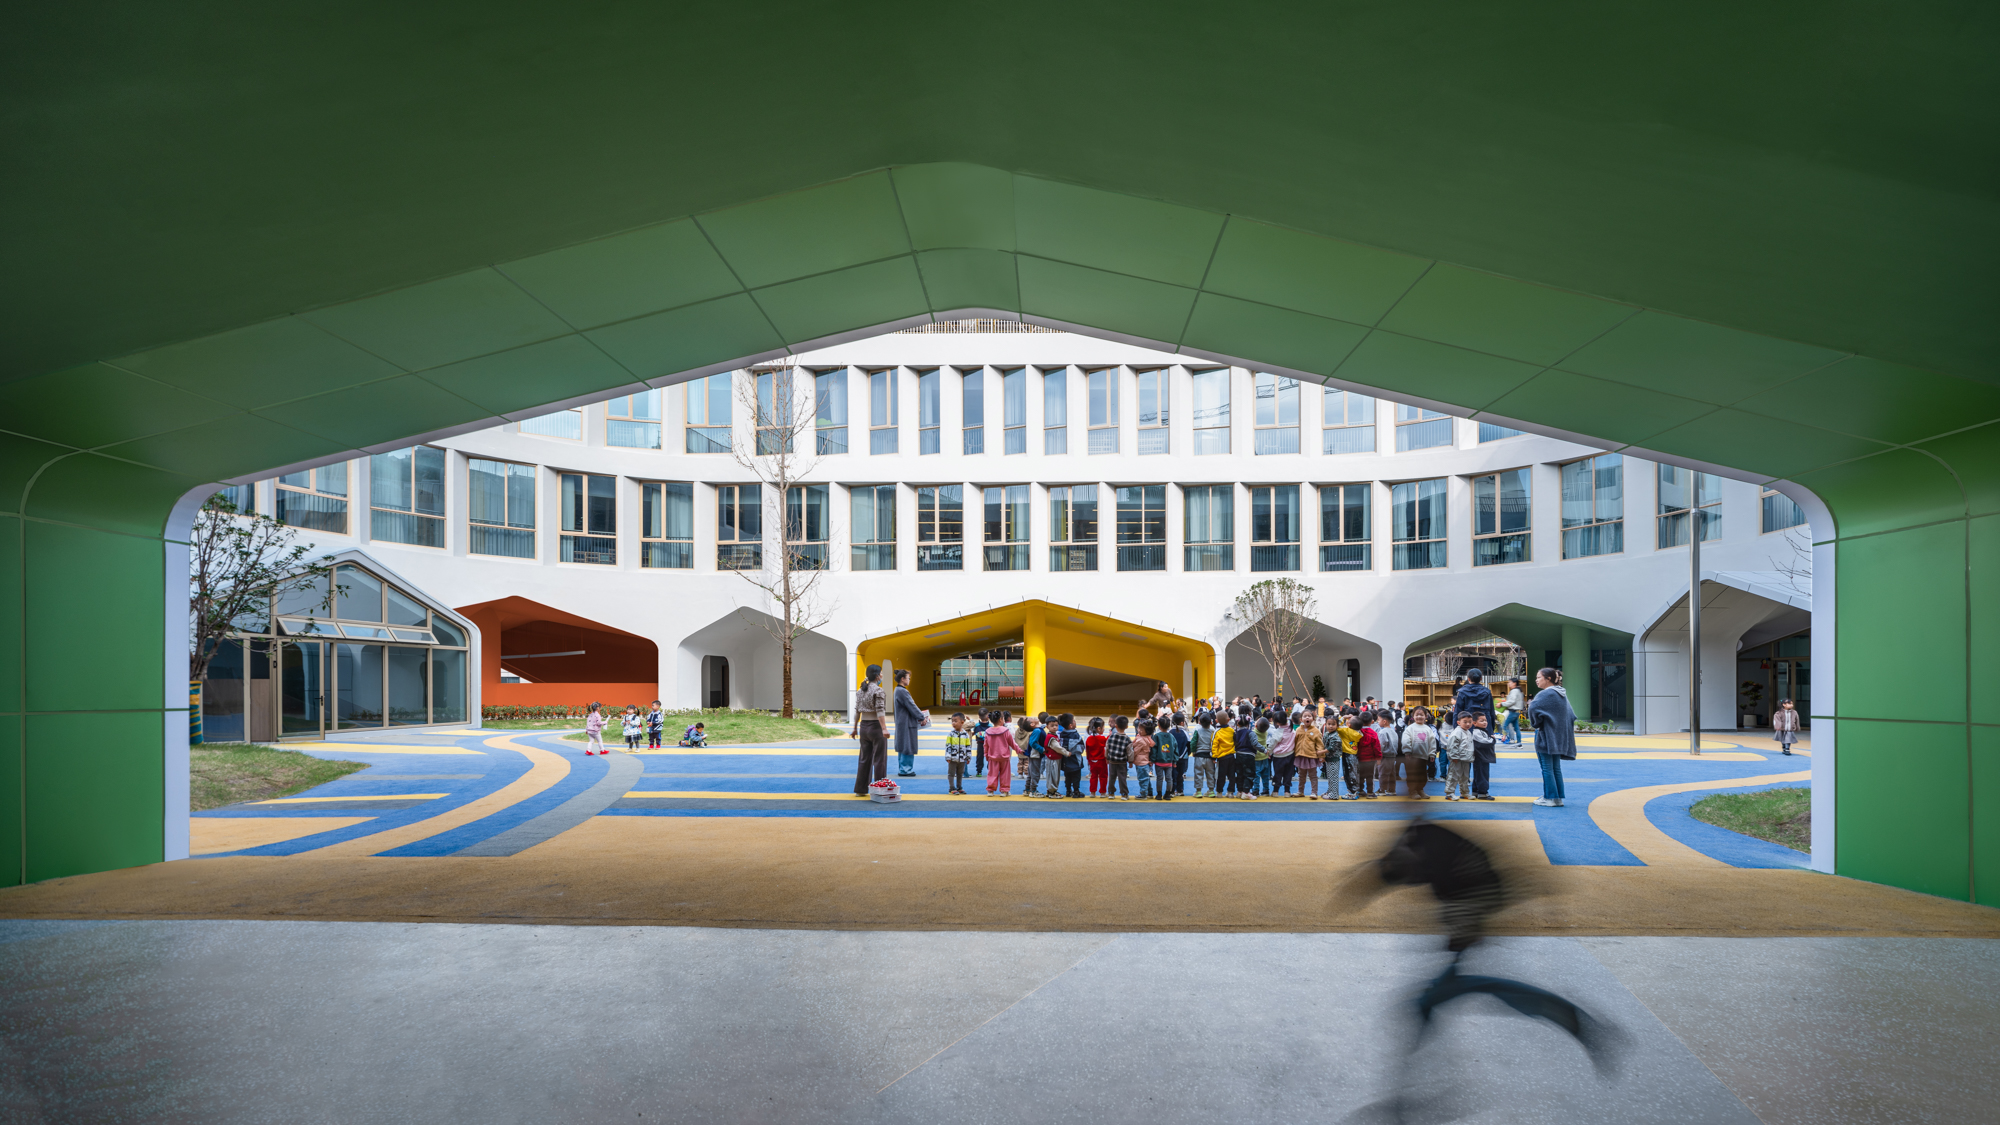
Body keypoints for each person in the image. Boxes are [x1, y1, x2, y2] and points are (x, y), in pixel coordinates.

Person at [1527, 667, 1577, 807]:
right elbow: (1571, 715)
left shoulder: (1545, 694)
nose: (1536, 680)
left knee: (1546, 767)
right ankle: (1557, 798)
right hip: (1558, 735)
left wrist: (1537, 723)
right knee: (1555, 768)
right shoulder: (1561, 693)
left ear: (1548, 679)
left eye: (1538, 677)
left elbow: (1533, 708)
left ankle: (1549, 798)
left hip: (1546, 735)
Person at [849, 665, 889, 796]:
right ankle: (879, 789)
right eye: (881, 673)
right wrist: (884, 729)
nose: (882, 675)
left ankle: (860, 789)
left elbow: (857, 711)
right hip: (876, 727)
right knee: (879, 759)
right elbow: (880, 711)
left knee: (864, 758)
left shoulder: (860, 691)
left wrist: (854, 728)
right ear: (877, 676)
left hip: (863, 727)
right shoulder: (878, 691)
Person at [892, 669, 924, 777]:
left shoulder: (897, 690)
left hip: (902, 722)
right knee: (907, 744)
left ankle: (903, 768)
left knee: (903, 745)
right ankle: (906, 769)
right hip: (906, 723)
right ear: (902, 679)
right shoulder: (902, 691)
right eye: (908, 678)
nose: (909, 680)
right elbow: (911, 705)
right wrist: (921, 716)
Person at [1400, 709, 1435, 799]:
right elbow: (1406, 740)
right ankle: (1412, 791)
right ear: (1413, 716)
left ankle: (1420, 789)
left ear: (1426, 717)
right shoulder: (1410, 728)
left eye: (1421, 715)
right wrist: (1407, 751)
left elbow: (1432, 742)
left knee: (1422, 775)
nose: (1419, 717)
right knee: (1412, 775)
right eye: (1417, 715)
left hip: (1423, 756)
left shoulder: (1428, 729)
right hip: (1412, 757)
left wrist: (1432, 753)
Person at [1442, 713, 1477, 800]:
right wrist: (1454, 757)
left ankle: (1464, 792)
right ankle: (1449, 793)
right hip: (1457, 758)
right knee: (1453, 775)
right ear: (1458, 722)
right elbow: (1453, 745)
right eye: (1465, 722)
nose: (1468, 724)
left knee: (1465, 777)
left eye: (1470, 722)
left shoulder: (1468, 732)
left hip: (1466, 758)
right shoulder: (1457, 732)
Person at [982, 710, 1017, 795]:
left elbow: (986, 745)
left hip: (992, 757)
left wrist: (986, 755)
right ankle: (1004, 791)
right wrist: (1019, 751)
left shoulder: (988, 731)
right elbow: (1012, 743)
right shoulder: (1005, 731)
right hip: (1004, 757)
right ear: (1001, 720)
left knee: (992, 774)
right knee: (1005, 774)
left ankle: (990, 790)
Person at [1293, 714, 1326, 798]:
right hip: (1300, 756)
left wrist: (1321, 755)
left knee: (1313, 775)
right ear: (1301, 719)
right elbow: (1295, 742)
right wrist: (1294, 753)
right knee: (1301, 775)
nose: (1307, 717)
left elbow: (1319, 744)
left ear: (1313, 719)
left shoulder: (1316, 731)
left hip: (1311, 756)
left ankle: (1314, 792)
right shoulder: (1298, 730)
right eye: (1305, 716)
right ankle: (1300, 791)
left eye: (1309, 716)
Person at [1056, 713, 1086, 798]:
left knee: (1067, 776)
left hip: (1065, 760)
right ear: (1071, 725)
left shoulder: (1061, 734)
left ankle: (1068, 790)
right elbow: (1081, 747)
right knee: (1076, 776)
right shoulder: (1076, 735)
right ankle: (1076, 791)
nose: (1075, 722)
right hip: (1075, 759)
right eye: (1074, 720)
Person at [1373, 709, 1403, 796]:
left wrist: (1378, 756)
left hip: (1385, 756)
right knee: (1391, 773)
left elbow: (1381, 745)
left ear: (1384, 721)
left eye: (1378, 720)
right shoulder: (1393, 731)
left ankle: (1382, 790)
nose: (1377, 721)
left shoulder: (1382, 732)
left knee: (1382, 773)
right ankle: (1391, 789)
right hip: (1393, 755)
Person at [1352, 714, 1382, 799]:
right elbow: (1377, 747)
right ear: (1372, 722)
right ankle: (1370, 792)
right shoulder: (1373, 733)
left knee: (1360, 775)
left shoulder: (1357, 732)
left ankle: (1360, 790)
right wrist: (1378, 758)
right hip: (1370, 759)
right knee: (1370, 776)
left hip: (1359, 758)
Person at [1151, 715, 1181, 800]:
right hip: (1169, 762)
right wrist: (1175, 761)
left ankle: (1159, 794)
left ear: (1159, 725)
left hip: (1159, 762)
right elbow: (1175, 750)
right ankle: (1168, 794)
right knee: (1169, 779)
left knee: (1159, 778)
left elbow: (1154, 749)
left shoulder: (1156, 736)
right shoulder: (1172, 737)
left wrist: (1152, 760)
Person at [943, 712, 973, 794]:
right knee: (951, 773)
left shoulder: (965, 734)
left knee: (960, 773)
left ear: (962, 722)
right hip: (953, 758)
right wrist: (948, 756)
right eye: (952, 721)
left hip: (962, 758)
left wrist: (968, 757)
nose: (953, 723)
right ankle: (952, 788)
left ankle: (959, 787)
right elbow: (948, 746)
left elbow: (968, 746)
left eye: (955, 721)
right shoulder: (951, 734)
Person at [1470, 713, 1497, 800]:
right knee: (1483, 774)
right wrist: (1493, 739)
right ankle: (1483, 792)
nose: (1485, 722)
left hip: (1481, 757)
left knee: (1478, 774)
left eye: (1485, 720)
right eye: (1481, 721)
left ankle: (1476, 791)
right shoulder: (1477, 732)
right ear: (1474, 723)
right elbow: (1485, 742)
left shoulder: (1482, 731)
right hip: (1480, 757)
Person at [1189, 714, 1218, 797]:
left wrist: (1193, 751)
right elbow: (1215, 743)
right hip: (1210, 756)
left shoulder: (1197, 730)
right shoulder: (1213, 730)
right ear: (1211, 722)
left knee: (1198, 773)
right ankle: (1211, 790)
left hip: (1199, 756)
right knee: (1211, 774)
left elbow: (1193, 742)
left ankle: (1198, 791)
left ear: (1200, 723)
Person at [1106, 715, 1133, 800]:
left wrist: (1107, 757)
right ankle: (1124, 794)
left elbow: (1107, 748)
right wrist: (1131, 761)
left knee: (1111, 777)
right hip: (1122, 762)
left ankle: (1111, 793)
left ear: (1116, 726)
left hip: (1112, 761)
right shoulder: (1127, 739)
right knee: (1122, 778)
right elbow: (1130, 752)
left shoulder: (1111, 737)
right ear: (1127, 726)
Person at [1268, 717, 1296, 795]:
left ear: (1278, 723)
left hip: (1279, 756)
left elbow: (1273, 743)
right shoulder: (1292, 729)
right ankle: (1287, 791)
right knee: (1288, 773)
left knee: (1278, 773)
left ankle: (1275, 791)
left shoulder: (1279, 731)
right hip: (1290, 754)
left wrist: (1269, 752)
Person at [1085, 717, 1110, 797]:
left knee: (1093, 776)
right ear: (1099, 729)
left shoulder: (1089, 738)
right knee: (1103, 776)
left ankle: (1092, 792)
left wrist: (1088, 759)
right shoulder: (1102, 738)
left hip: (1092, 760)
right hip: (1101, 760)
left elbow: (1087, 751)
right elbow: (1106, 747)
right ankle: (1103, 792)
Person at [1500, 680, 1525, 745]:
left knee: (1504, 726)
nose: (1508, 684)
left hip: (1513, 711)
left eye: (1510, 682)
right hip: (1517, 711)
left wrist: (1501, 704)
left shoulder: (1514, 691)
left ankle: (1510, 739)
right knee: (1516, 728)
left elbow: (1512, 701)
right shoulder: (1519, 691)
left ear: (1514, 683)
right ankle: (1519, 743)